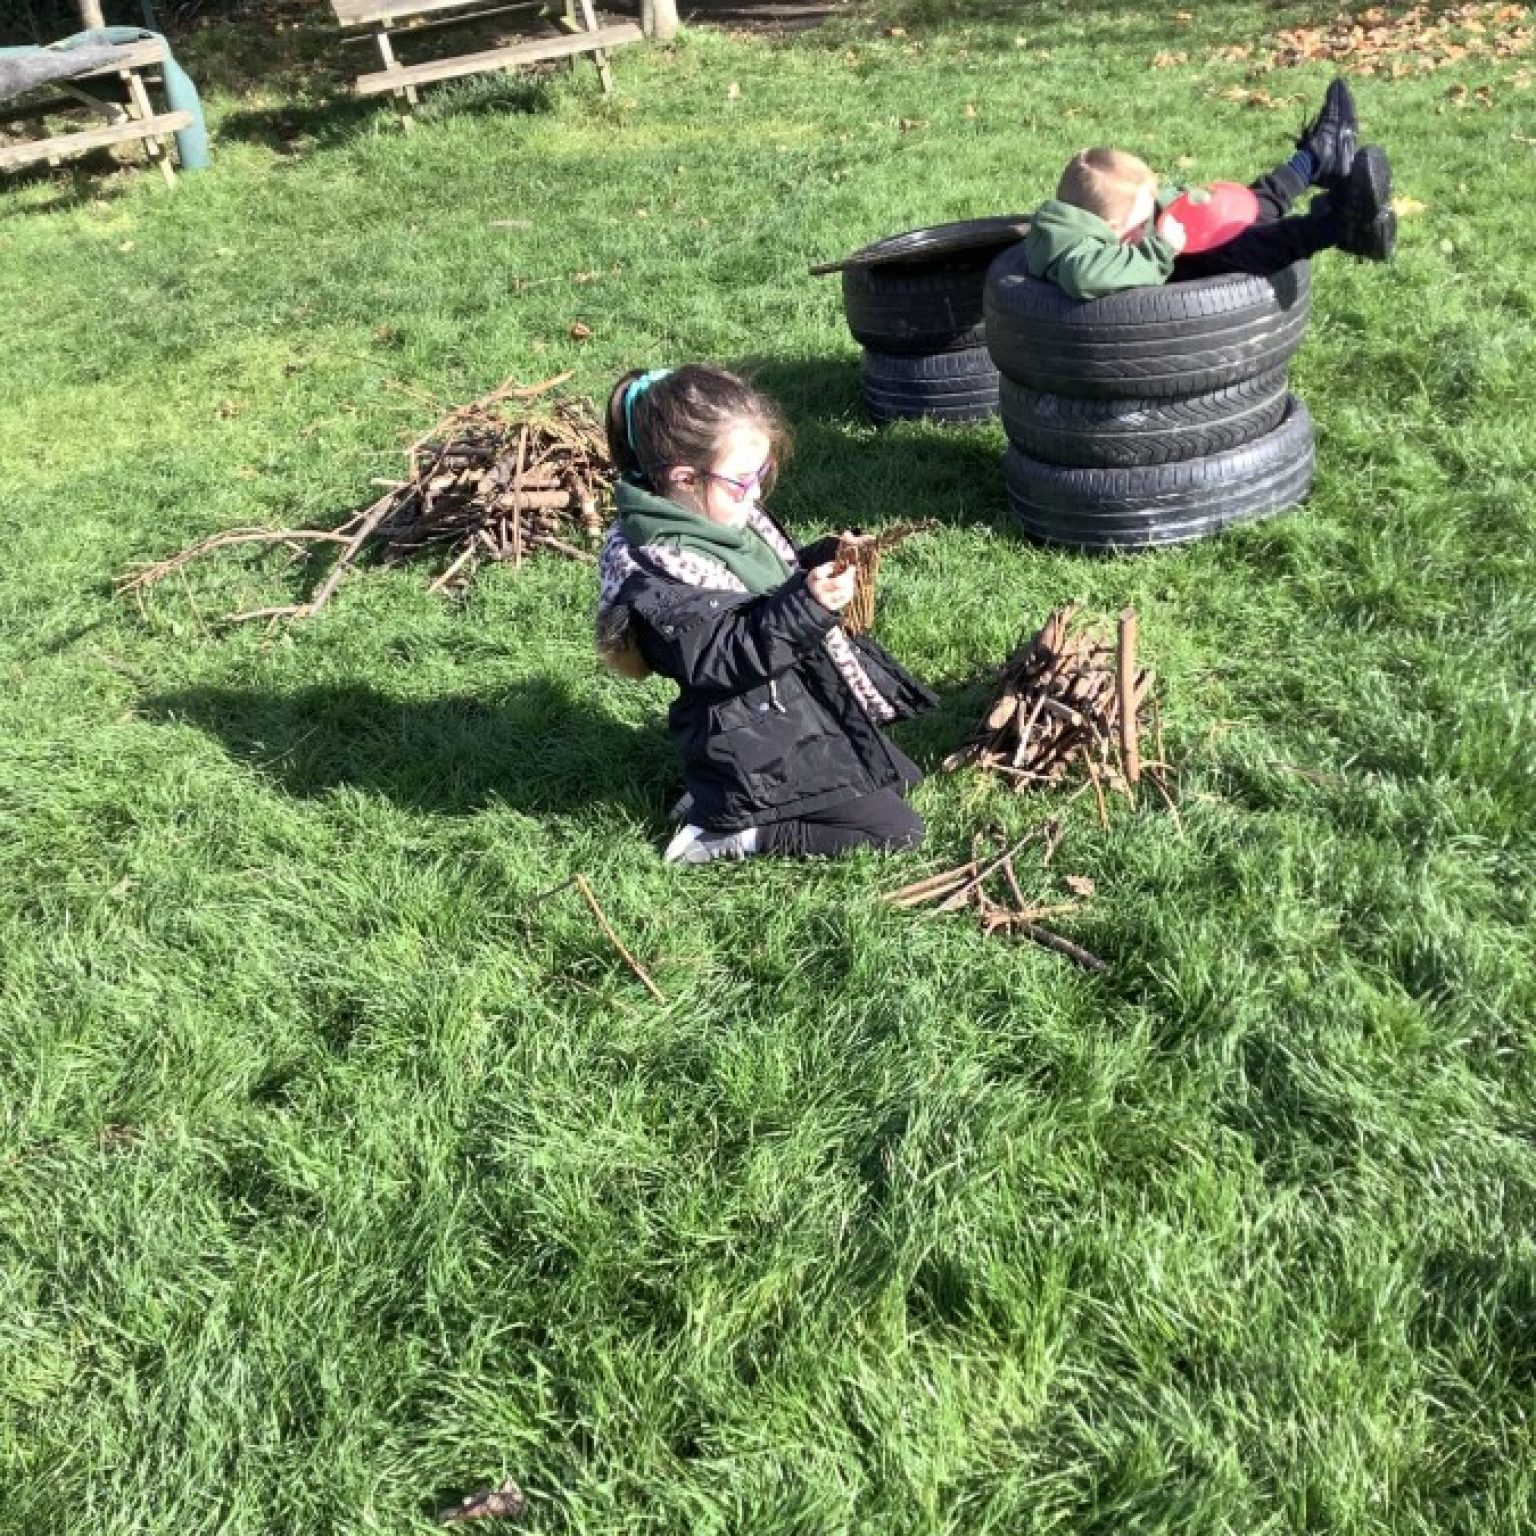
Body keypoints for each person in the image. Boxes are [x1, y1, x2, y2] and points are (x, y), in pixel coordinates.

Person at [596, 364, 937, 865]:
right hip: (748, 730)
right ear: (684, 478)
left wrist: (825, 560)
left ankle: (721, 795)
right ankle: (728, 834)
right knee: (898, 833)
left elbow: (769, 587)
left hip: (782, 705)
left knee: (904, 778)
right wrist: (810, 604)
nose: (756, 492)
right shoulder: (656, 568)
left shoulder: (720, 517)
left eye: (761, 474)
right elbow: (725, 651)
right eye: (742, 480)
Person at [1023, 78, 1396, 301]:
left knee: (1233, 214)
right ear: (1112, 229)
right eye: (1141, 223)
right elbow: (1088, 277)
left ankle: (1315, 160)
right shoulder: (1071, 254)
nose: (1147, 226)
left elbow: (1138, 227)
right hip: (1159, 307)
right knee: (1240, 247)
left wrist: (1183, 207)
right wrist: (1162, 247)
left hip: (1154, 269)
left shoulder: (1087, 224)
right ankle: (1341, 224)